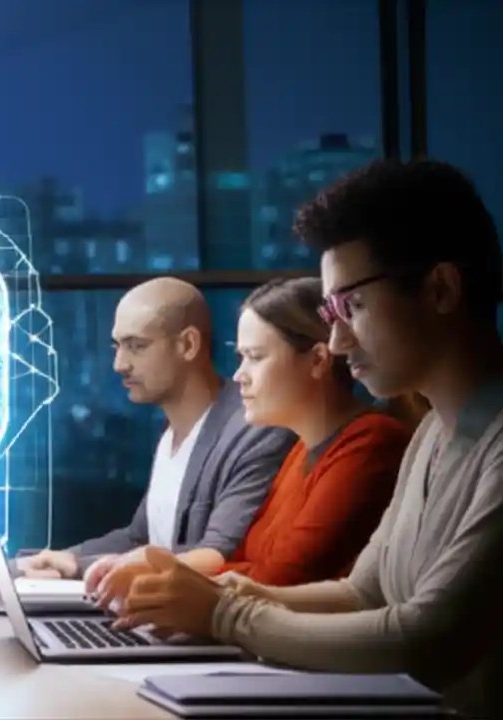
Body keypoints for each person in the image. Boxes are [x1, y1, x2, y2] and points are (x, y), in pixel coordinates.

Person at [117, 159, 503, 719]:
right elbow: (363, 594)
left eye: (354, 306)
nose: (339, 341)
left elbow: (427, 638)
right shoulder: (431, 437)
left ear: (441, 289)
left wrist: (222, 615)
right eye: (330, 311)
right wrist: (213, 597)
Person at [18, 278, 295, 600]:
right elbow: (141, 538)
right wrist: (71, 559)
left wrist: (89, 567)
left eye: (137, 346)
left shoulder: (254, 431)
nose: (119, 364)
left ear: (188, 345)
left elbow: (218, 553)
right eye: (117, 346)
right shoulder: (171, 435)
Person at [196, 277, 409, 585]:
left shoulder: (371, 444)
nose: (239, 375)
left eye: (255, 357)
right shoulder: (303, 448)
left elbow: (282, 579)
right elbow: (246, 561)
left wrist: (175, 582)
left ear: (318, 360)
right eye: (241, 357)